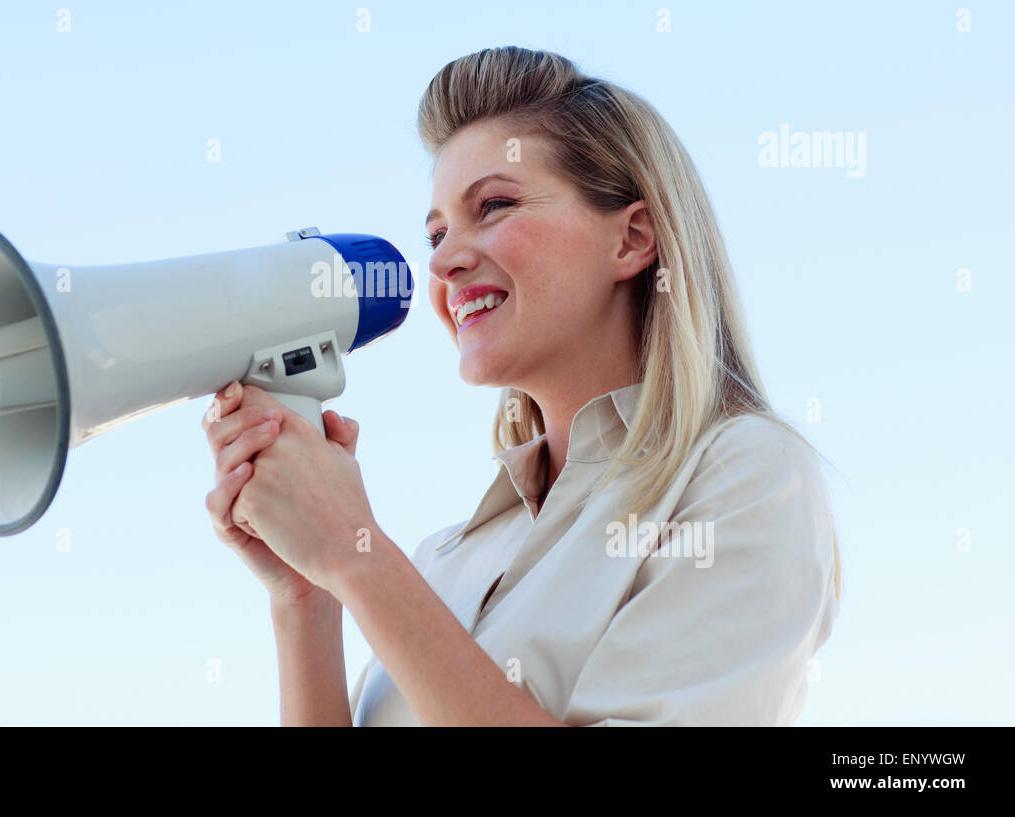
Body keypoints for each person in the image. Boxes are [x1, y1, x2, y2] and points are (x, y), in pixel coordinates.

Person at [200, 46, 841, 726]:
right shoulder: (446, 559)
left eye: (494, 205)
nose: (444, 261)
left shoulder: (746, 475)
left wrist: (355, 552)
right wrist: (308, 594)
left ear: (632, 239)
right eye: (437, 232)